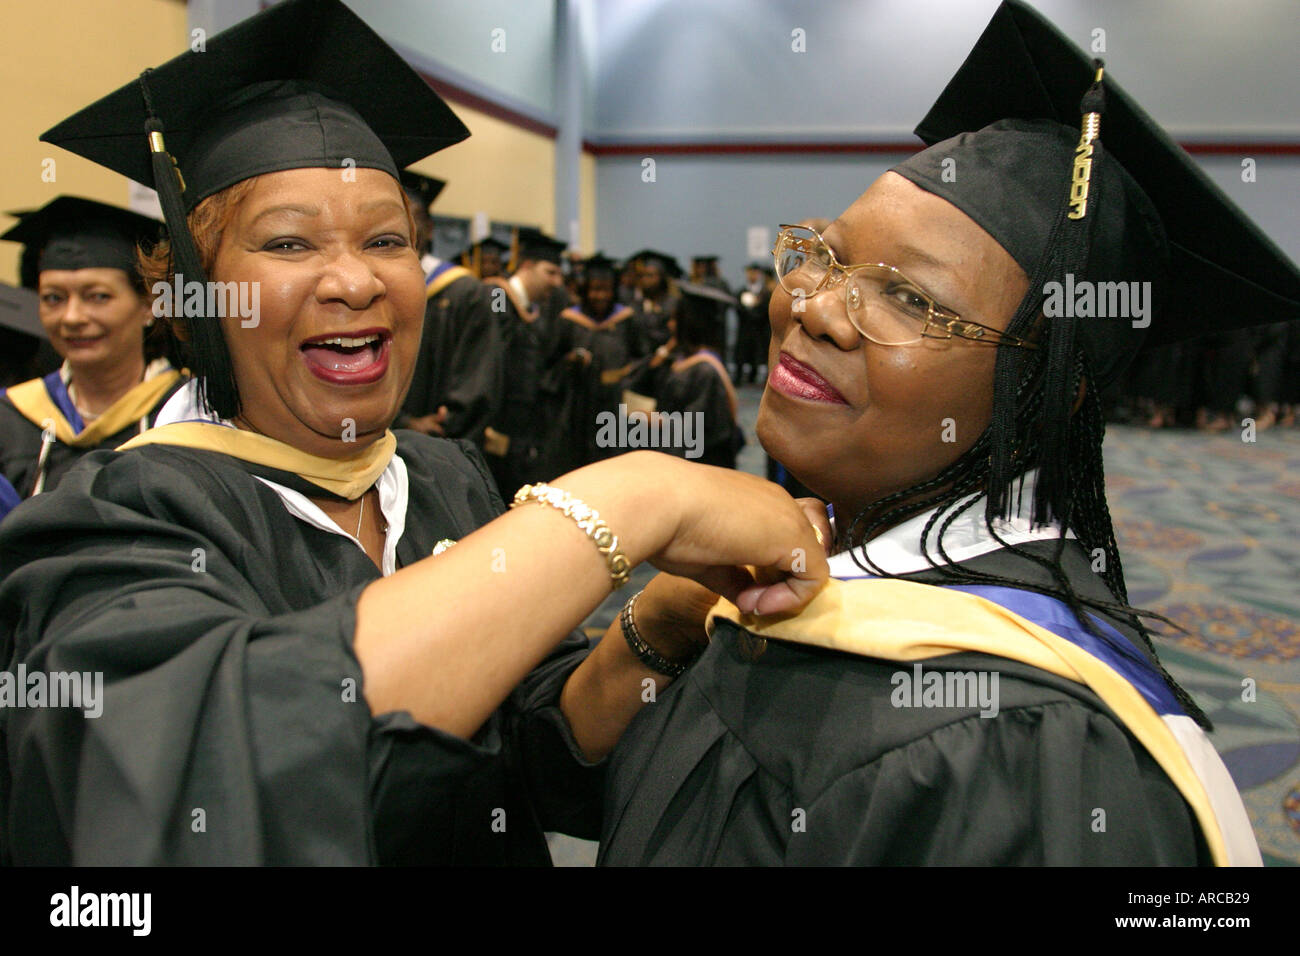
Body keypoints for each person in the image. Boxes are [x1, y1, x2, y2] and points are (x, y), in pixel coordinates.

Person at [0, 0, 826, 866]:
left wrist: (664, 617)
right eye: (289, 244)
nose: (355, 282)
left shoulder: (440, 475)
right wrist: (637, 497)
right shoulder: (113, 514)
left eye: (389, 239)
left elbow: (527, 757)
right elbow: (186, 776)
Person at [599, 0, 1298, 866]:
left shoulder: (1014, 748)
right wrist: (663, 617)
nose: (815, 308)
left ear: (1046, 389)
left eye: (909, 298)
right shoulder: (801, 568)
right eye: (825, 254)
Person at [0, 196, 184, 514]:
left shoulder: (192, 413)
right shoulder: (10, 418)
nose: (72, 317)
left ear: (148, 305)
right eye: (53, 298)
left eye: (97, 297)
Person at [394, 171, 502, 445]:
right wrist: (401, 422)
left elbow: (477, 376)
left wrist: (444, 425)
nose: (402, 232)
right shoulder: (361, 290)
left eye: (412, 222)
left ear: (429, 228)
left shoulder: (464, 292)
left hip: (439, 447)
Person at [481, 231, 573, 495]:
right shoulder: (497, 297)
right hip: (493, 430)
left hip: (518, 434)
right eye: (551, 272)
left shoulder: (532, 311)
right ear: (527, 266)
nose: (557, 282)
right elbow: (487, 361)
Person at [627, 282, 742, 469]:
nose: (670, 324)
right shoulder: (682, 360)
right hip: (674, 457)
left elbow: (699, 428)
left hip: (697, 467)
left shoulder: (706, 370)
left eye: (675, 319)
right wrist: (664, 351)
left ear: (689, 323)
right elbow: (640, 382)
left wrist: (656, 421)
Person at [734, 261, 773, 385]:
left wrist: (755, 312)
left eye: (755, 273)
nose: (752, 275)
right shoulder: (741, 291)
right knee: (742, 353)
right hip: (745, 329)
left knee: (758, 352)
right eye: (750, 272)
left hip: (759, 329)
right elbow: (738, 309)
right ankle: (739, 377)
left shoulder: (765, 293)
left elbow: (765, 310)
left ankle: (755, 376)